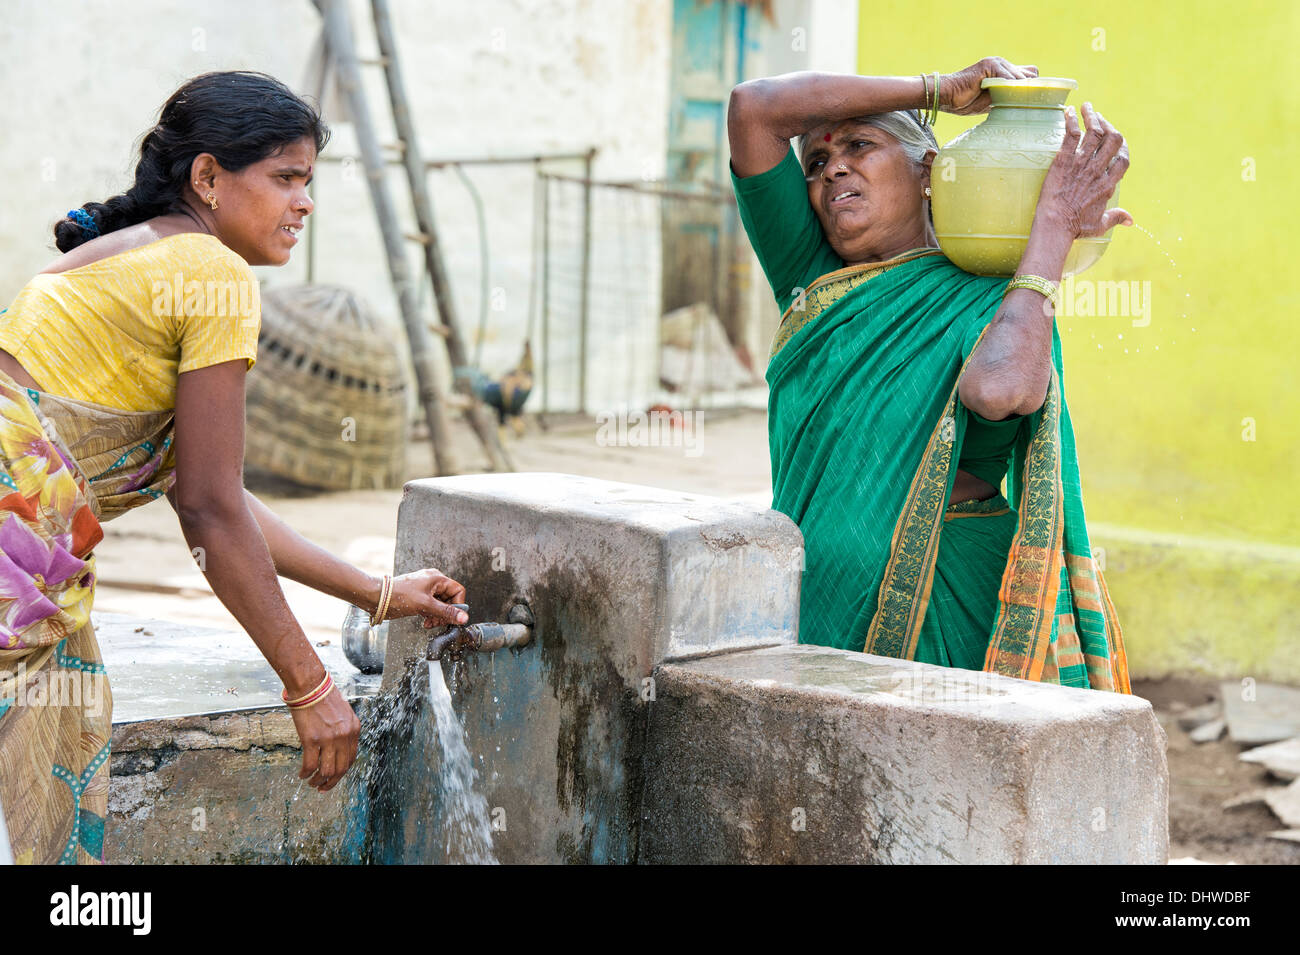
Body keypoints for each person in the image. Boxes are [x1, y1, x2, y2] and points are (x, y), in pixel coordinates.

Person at [0, 71, 469, 865]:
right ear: (209, 177)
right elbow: (211, 511)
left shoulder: (121, 256)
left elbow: (207, 491)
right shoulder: (213, 276)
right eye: (285, 178)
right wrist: (310, 685)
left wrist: (380, 594)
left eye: (309, 182)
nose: (304, 203)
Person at [728, 57, 1132, 691]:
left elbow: (1000, 389)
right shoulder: (812, 277)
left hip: (953, 591)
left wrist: (1050, 235)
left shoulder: (998, 294)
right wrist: (939, 90)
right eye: (815, 162)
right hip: (815, 598)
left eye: (860, 145)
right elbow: (754, 109)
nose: (833, 166)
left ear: (928, 173)